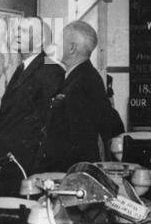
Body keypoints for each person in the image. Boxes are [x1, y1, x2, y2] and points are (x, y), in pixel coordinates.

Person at [0, 17, 64, 175]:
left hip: (29, 170)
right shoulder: (22, 68)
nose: (18, 34)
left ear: (40, 41)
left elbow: (48, 129)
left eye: (25, 31)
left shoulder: (51, 70)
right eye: (18, 30)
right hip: (11, 164)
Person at [41, 21, 111, 171]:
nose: (54, 46)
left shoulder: (82, 83)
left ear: (72, 48)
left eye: (59, 41)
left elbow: (78, 140)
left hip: (71, 171)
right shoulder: (81, 77)